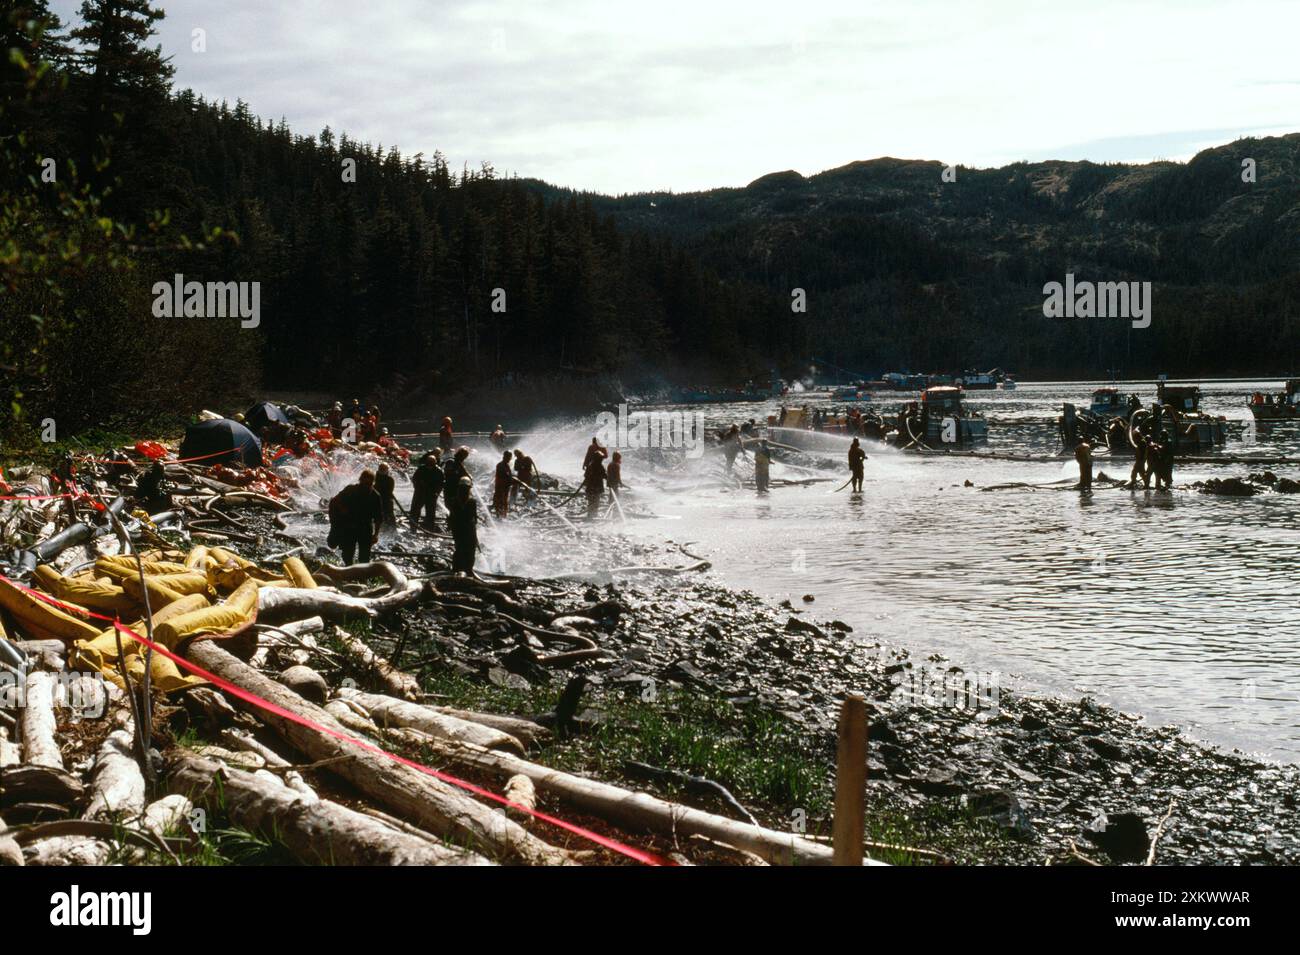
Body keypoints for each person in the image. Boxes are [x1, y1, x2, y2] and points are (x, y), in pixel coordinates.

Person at [328, 469, 383, 565]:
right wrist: (341, 510)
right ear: (360, 480)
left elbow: (378, 517)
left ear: (373, 483)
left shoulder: (375, 496)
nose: (366, 486)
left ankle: (362, 577)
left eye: (369, 484)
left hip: (365, 528)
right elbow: (334, 501)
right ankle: (348, 573)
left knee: (364, 558)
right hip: (349, 527)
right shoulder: (350, 490)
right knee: (348, 555)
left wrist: (376, 534)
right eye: (364, 483)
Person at [448, 476, 478, 575]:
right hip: (462, 529)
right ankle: (460, 569)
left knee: (466, 549)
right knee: (462, 549)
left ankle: (465, 569)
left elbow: (473, 518)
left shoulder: (470, 501)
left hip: (465, 529)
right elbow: (453, 517)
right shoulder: (458, 501)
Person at [409, 451, 443, 531]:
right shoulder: (421, 469)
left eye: (432, 463)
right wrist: (417, 488)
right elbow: (414, 479)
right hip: (420, 493)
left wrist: (437, 493)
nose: (430, 464)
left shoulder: (438, 471)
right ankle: (413, 527)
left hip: (431, 494)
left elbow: (440, 484)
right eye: (429, 462)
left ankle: (429, 528)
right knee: (415, 510)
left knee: (430, 512)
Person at [443, 446, 471, 514]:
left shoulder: (459, 463)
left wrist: (469, 478)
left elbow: (466, 474)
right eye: (464, 456)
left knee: (458, 504)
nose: (464, 458)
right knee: (450, 503)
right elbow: (448, 473)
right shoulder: (451, 461)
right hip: (450, 487)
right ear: (460, 455)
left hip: (457, 488)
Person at [375, 462, 397, 529]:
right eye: (381, 469)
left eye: (384, 469)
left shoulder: (390, 479)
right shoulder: (375, 477)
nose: (382, 470)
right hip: (376, 499)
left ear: (387, 470)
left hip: (386, 499)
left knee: (389, 514)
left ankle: (392, 528)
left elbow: (390, 491)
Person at [493, 451, 513, 518]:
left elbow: (509, 475)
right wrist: (511, 479)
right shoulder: (500, 465)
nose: (510, 459)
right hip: (501, 486)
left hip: (505, 486)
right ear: (505, 457)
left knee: (504, 500)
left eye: (510, 458)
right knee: (500, 500)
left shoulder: (506, 465)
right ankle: (499, 515)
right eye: (509, 458)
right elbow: (504, 475)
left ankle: (503, 515)